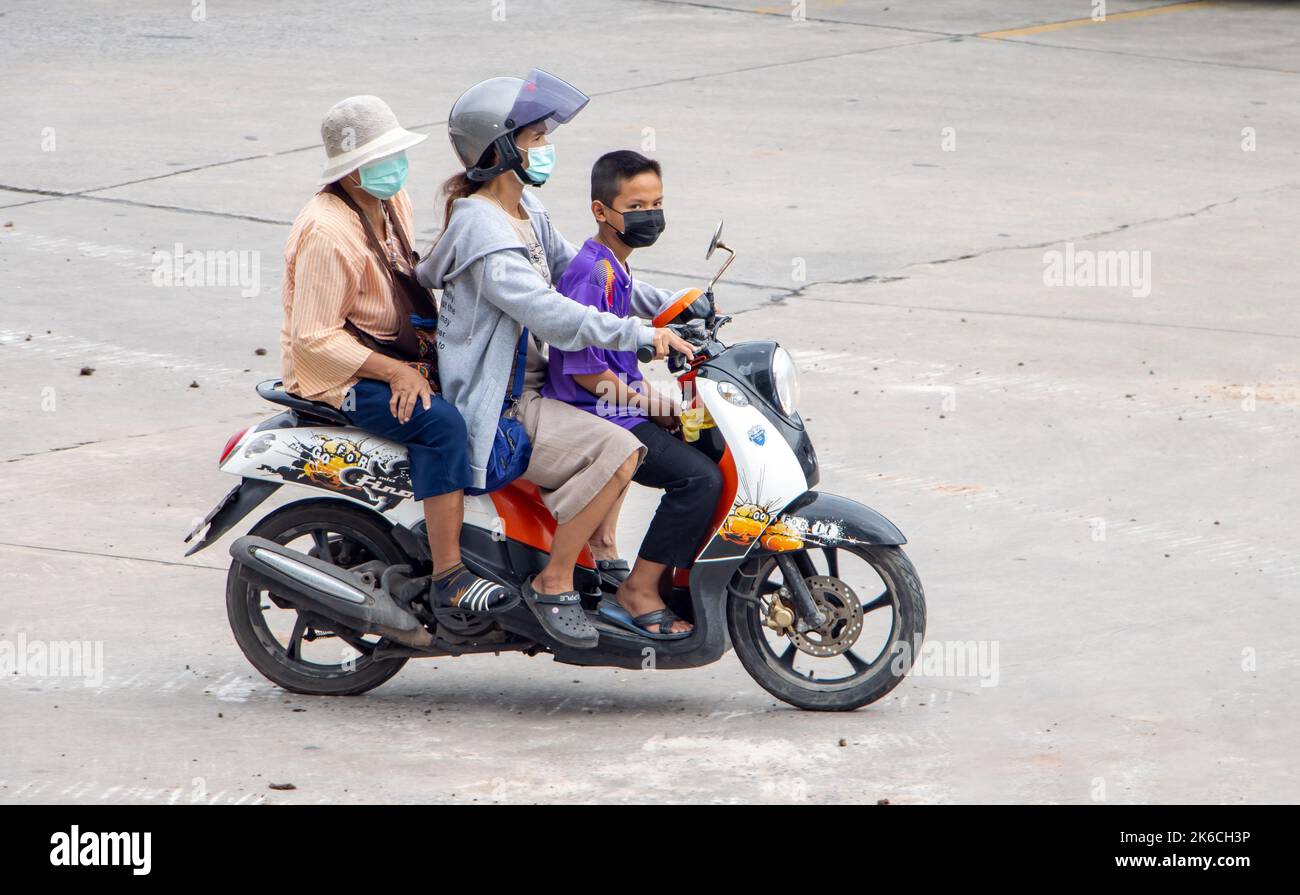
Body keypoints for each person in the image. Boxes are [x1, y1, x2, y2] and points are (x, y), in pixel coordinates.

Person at [417, 70, 696, 649]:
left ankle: (601, 551)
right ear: (500, 150)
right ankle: (553, 581)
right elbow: (551, 314)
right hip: (503, 401)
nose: (546, 148)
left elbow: (578, 269)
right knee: (621, 446)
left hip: (533, 386)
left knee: (626, 418)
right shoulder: (484, 232)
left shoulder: (525, 208)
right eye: (536, 138)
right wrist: (641, 336)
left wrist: (674, 306)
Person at [280, 95, 512, 629]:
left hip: (400, 351)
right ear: (352, 170)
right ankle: (450, 574)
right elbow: (314, 339)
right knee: (442, 426)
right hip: (341, 374)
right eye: (383, 158)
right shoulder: (327, 233)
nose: (397, 166)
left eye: (397, 154)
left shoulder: (389, 200)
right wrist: (395, 371)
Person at [544, 150, 722, 639]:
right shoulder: (592, 274)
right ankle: (641, 590)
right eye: (637, 207)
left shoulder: (615, 267)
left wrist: (656, 401)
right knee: (699, 479)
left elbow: (619, 362)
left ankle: (634, 563)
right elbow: (586, 373)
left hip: (615, 406)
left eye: (657, 204)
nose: (650, 216)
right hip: (594, 413)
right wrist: (648, 404)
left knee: (698, 447)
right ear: (601, 211)